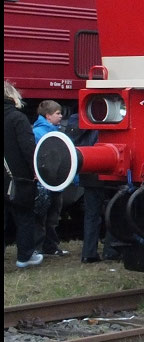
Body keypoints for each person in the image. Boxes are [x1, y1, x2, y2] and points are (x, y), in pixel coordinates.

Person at [4, 81, 42, 268]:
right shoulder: (17, 118)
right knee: (24, 216)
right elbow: (28, 149)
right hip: (17, 178)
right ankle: (25, 257)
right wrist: (36, 170)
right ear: (12, 97)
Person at [74, 115, 121, 263]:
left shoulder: (82, 124)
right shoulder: (111, 125)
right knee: (113, 213)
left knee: (91, 216)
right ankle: (111, 250)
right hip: (107, 175)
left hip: (88, 174)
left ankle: (88, 253)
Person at [31, 100, 70, 257]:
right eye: (57, 113)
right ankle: (40, 247)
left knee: (52, 215)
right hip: (46, 180)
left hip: (53, 179)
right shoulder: (39, 133)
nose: (61, 116)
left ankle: (49, 246)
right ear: (48, 116)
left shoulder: (51, 131)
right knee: (43, 216)